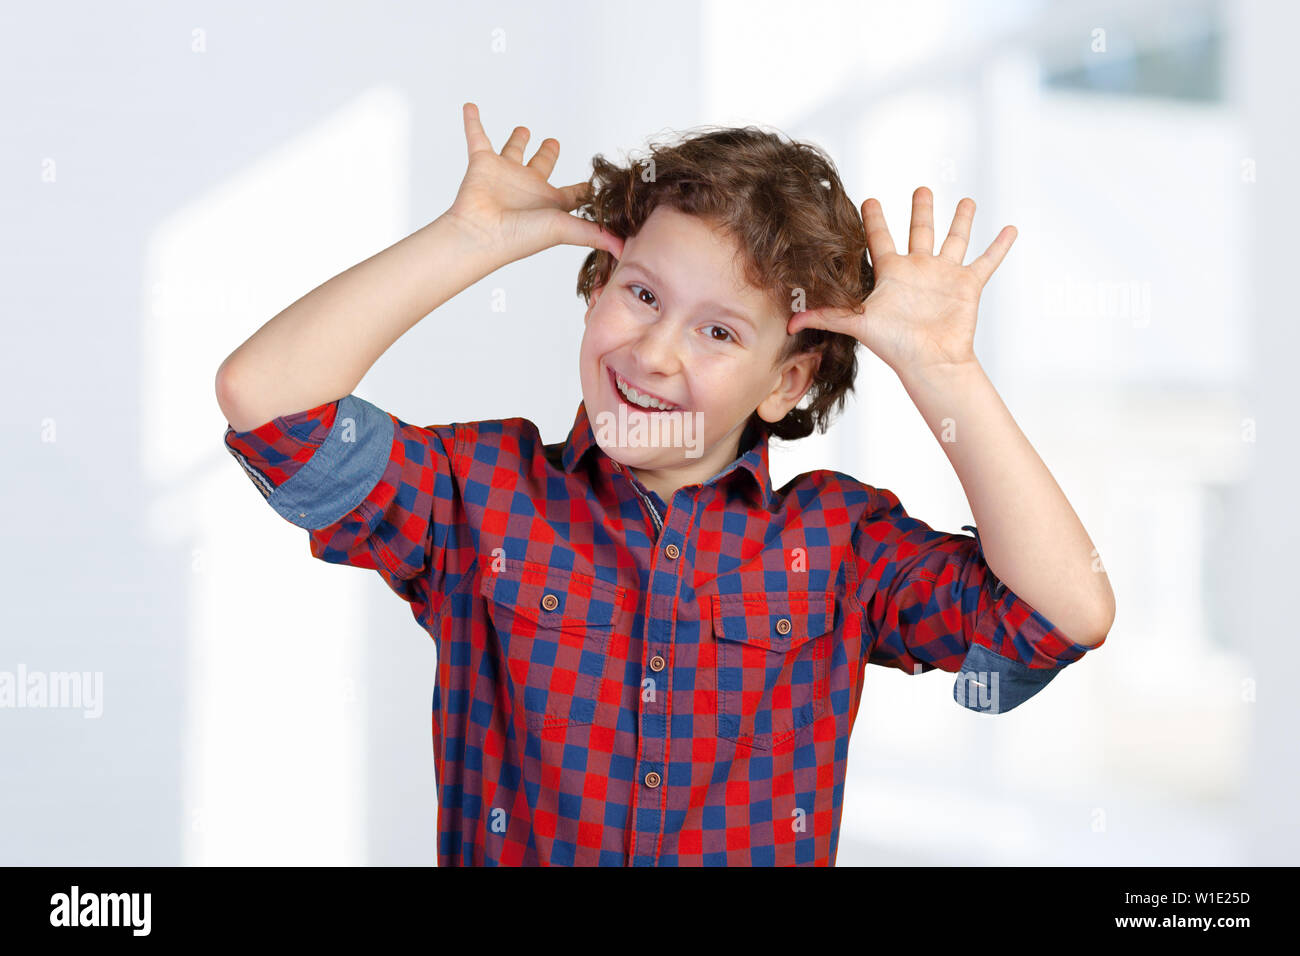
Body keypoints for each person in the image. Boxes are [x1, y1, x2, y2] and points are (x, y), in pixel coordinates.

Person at [215, 102, 1115, 866]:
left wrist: (946, 371)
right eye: (641, 295)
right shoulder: (480, 494)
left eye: (719, 333)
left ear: (786, 383)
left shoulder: (839, 547)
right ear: (599, 280)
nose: (652, 353)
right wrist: (468, 242)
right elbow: (267, 404)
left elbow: (1064, 612)